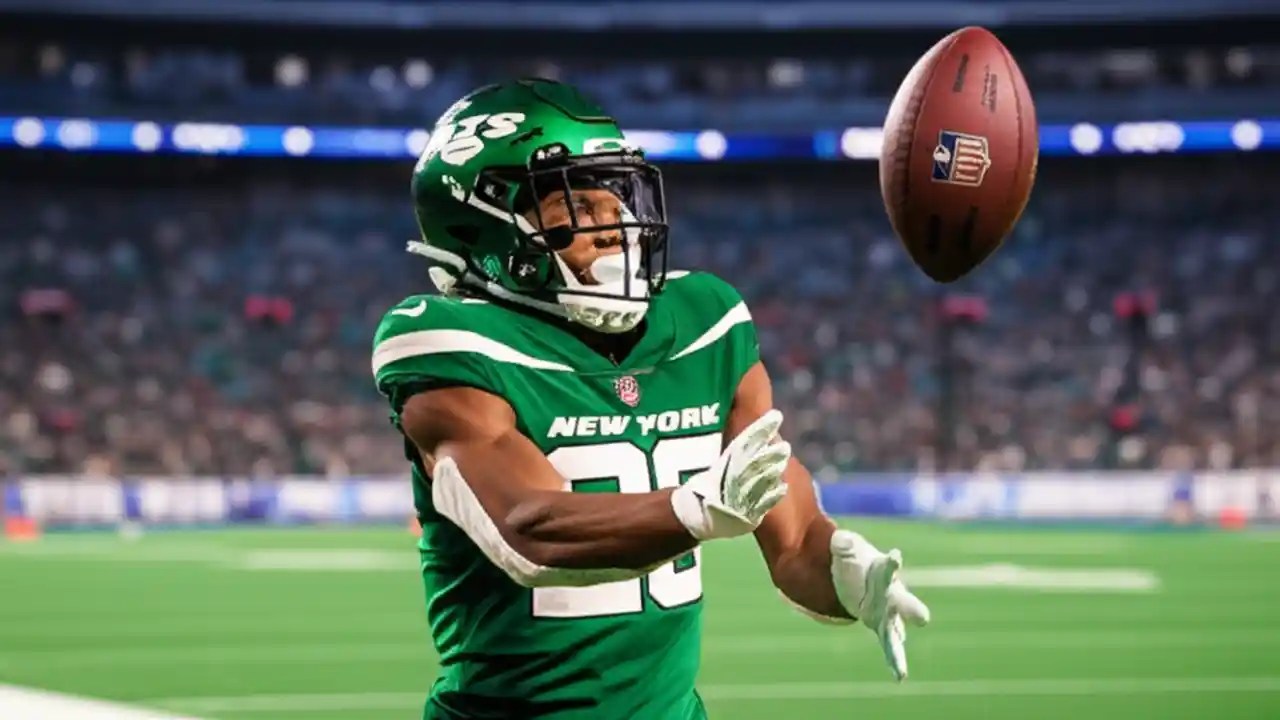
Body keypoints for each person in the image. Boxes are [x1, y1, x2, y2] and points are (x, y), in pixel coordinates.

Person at [372, 78, 930, 720]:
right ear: (487, 230)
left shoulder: (706, 322)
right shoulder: (450, 341)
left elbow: (796, 538)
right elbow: (529, 529)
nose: (614, 226)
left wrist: (846, 577)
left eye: (615, 197)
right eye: (572, 208)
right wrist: (693, 510)